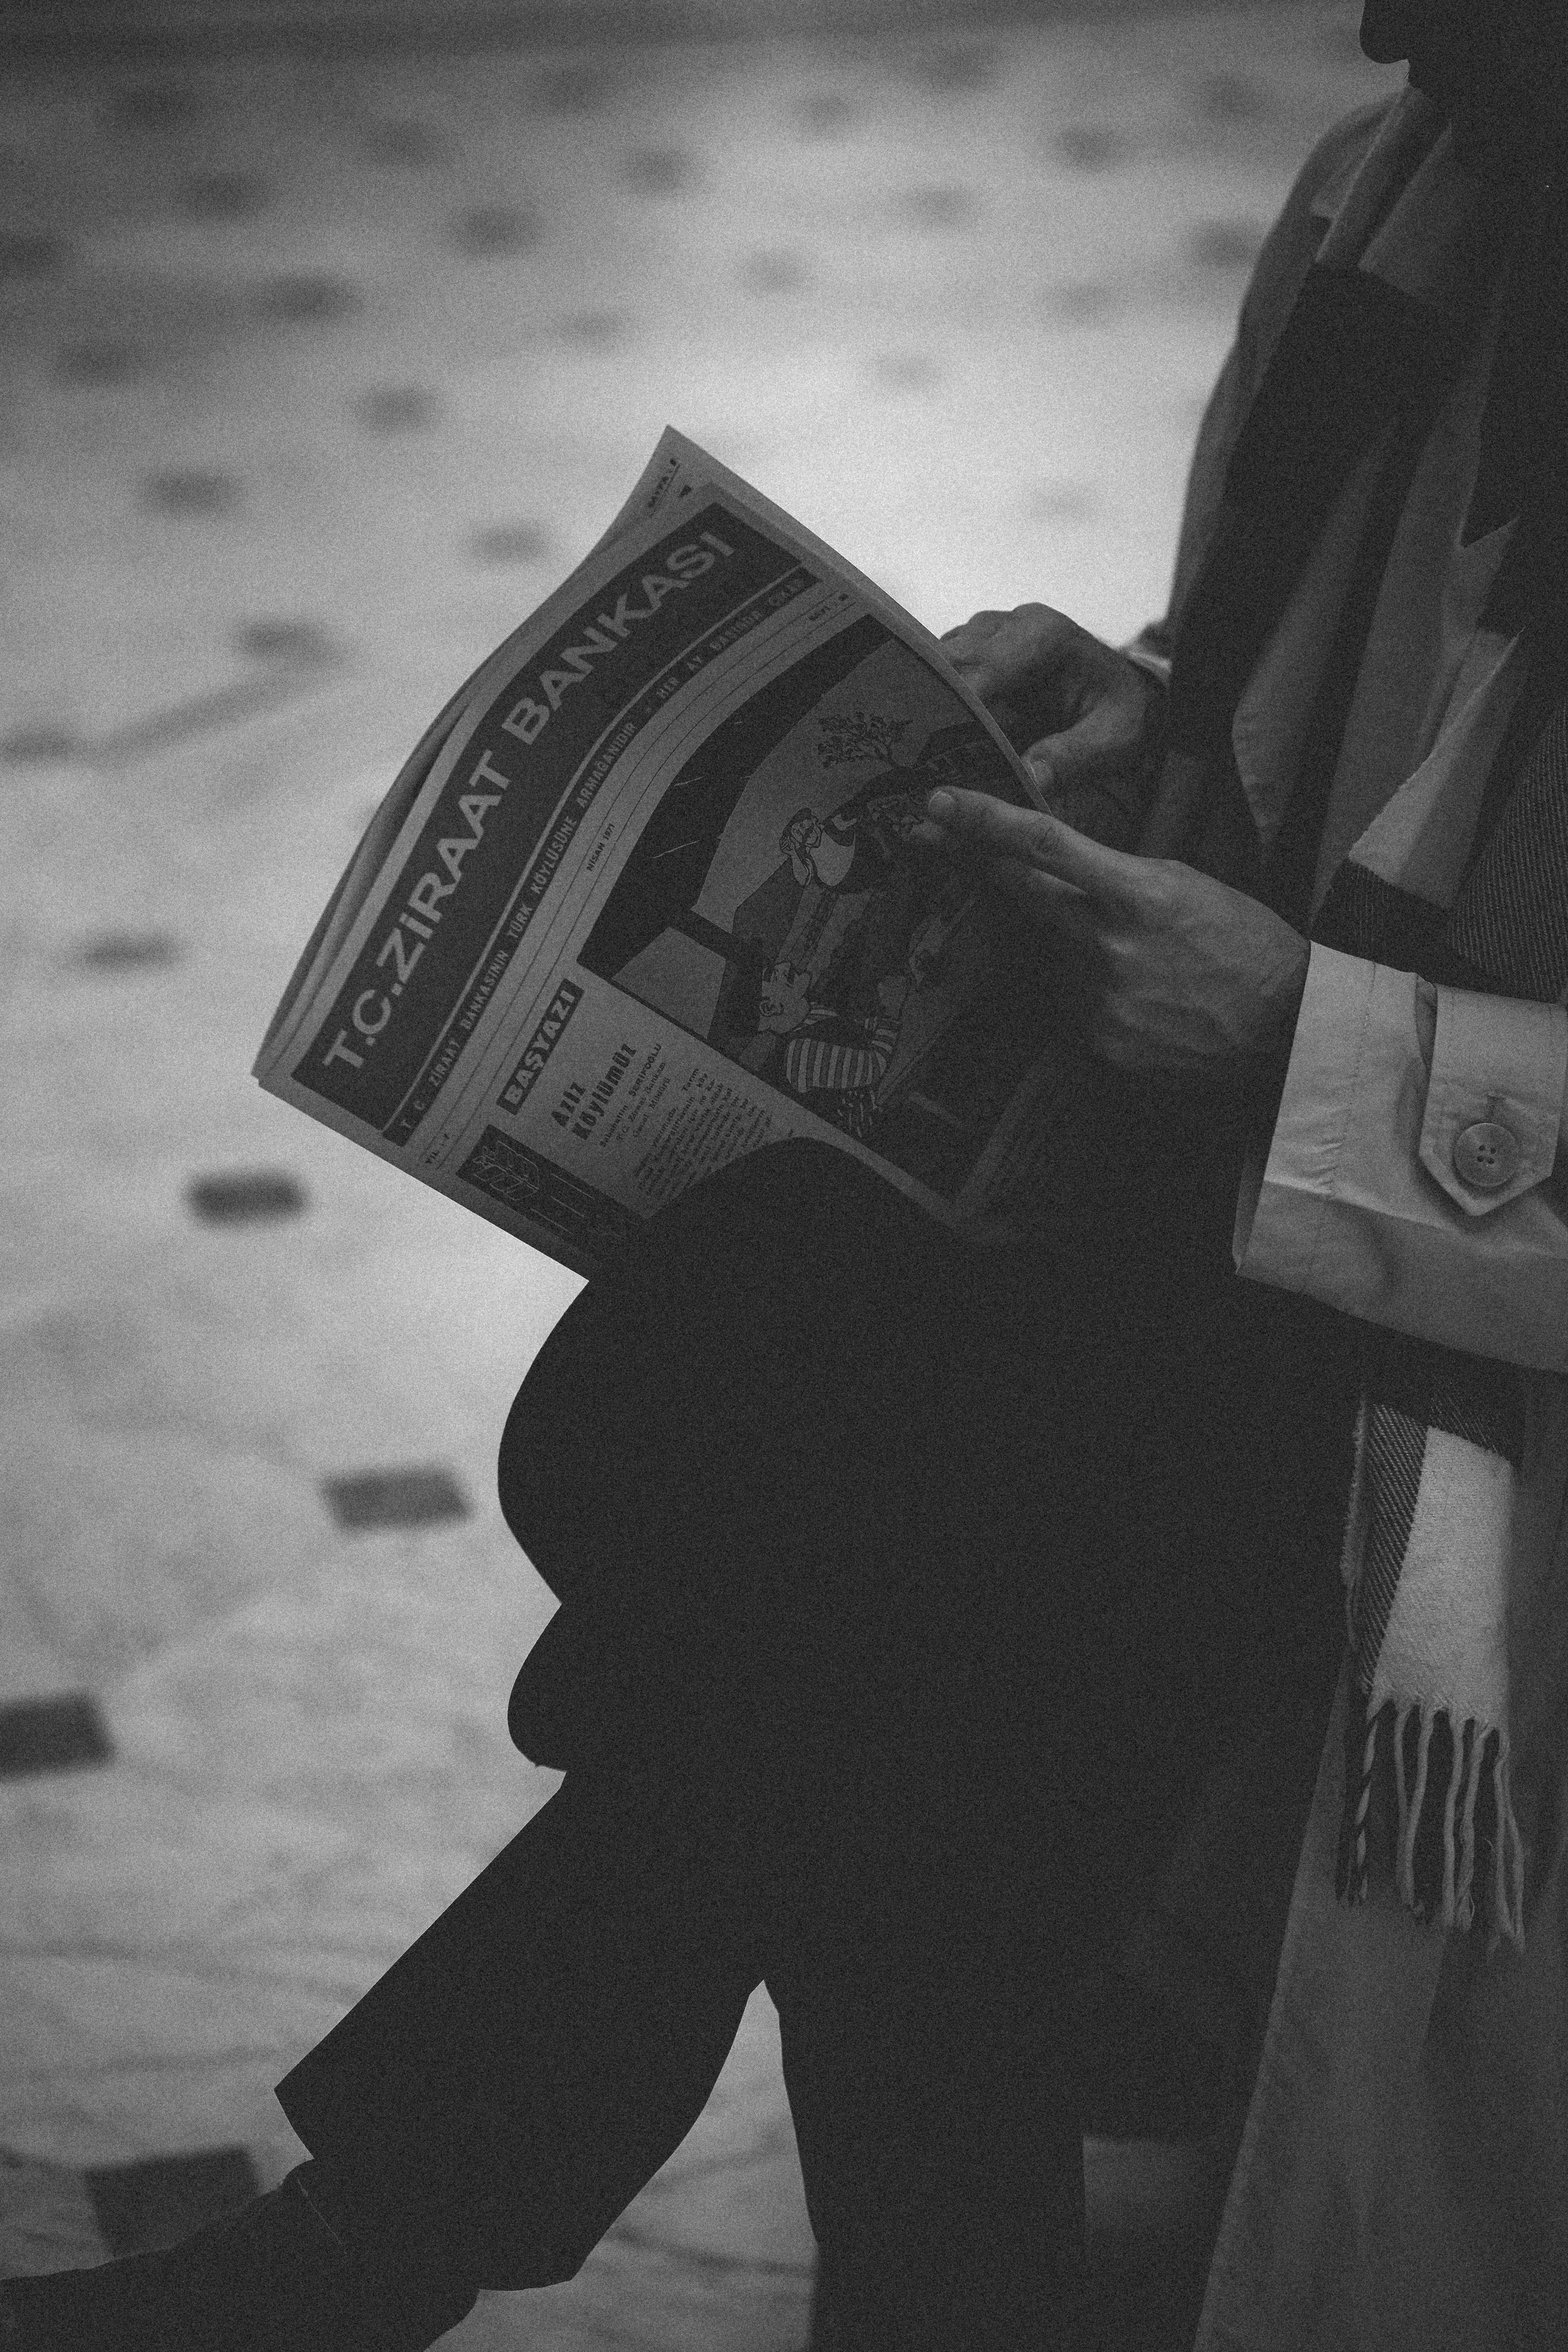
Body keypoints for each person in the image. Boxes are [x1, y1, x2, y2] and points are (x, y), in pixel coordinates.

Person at [7, 4, 1566, 2347]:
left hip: (1479, 1393)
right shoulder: (1398, 198)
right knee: (813, 1442)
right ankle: (829, 2289)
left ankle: (383, 2258)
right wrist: (1158, 741)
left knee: (847, 1580)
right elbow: (1359, 781)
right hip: (1293, 1263)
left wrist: (1292, 1043)